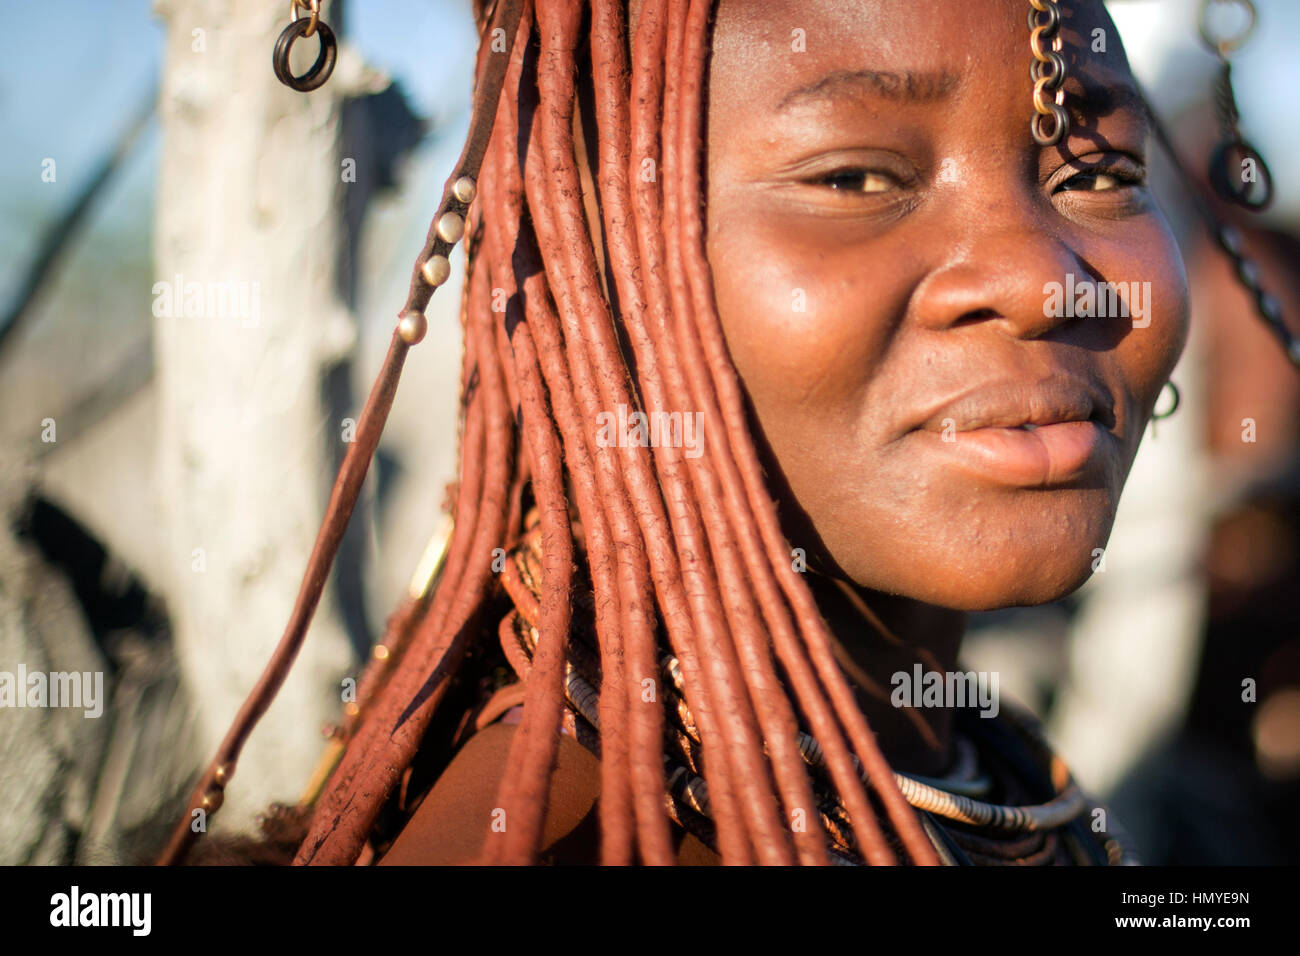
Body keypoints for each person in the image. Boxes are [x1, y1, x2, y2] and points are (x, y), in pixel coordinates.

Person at [197, 0, 1189, 866]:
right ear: (599, 263)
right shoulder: (549, 836)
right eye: (854, 178)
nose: (1035, 279)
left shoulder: (972, 763)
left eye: (1095, 171)